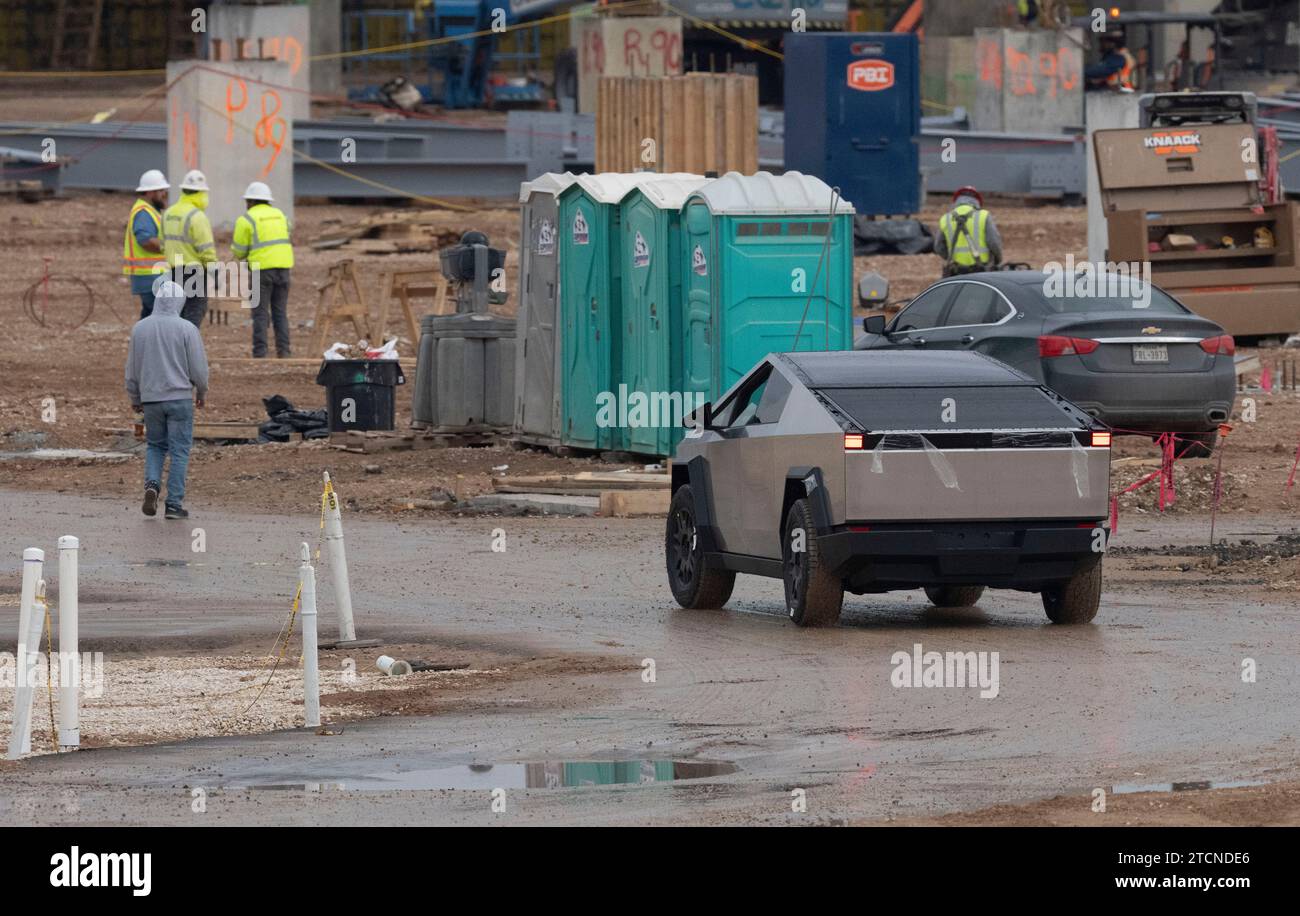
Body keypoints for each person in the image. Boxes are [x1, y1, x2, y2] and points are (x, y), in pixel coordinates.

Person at [124, 280, 209, 520]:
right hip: (180, 398)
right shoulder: (187, 329)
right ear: (180, 302)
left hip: (150, 400)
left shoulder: (140, 328)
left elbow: (132, 369)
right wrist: (201, 392)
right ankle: (173, 504)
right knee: (179, 450)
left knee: (155, 445)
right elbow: (199, 369)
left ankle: (152, 484)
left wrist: (135, 398)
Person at [231, 181, 294, 357]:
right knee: (280, 311)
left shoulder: (246, 219)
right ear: (268, 201)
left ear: (250, 201)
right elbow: (287, 233)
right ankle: (284, 351)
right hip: (284, 268)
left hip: (262, 271)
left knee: (260, 313)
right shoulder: (280, 215)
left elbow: (239, 251)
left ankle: (260, 352)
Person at [162, 169, 216, 328]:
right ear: (200, 193)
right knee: (193, 316)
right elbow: (207, 251)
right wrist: (214, 272)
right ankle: (187, 351)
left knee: (176, 315)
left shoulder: (168, 213)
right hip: (195, 274)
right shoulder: (197, 216)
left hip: (173, 272)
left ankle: (174, 351)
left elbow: (161, 244)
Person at [123, 170, 169, 320]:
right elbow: (146, 240)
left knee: (150, 318)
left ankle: (141, 343)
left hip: (153, 276)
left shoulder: (151, 211)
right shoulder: (144, 212)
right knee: (162, 317)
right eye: (161, 190)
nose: (165, 194)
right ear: (150, 192)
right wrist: (170, 247)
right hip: (150, 276)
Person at [934, 186, 1003, 277]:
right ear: (977, 201)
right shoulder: (984, 216)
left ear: (956, 201)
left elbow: (938, 247)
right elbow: (994, 243)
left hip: (956, 272)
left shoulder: (945, 218)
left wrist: (951, 257)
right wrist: (998, 260)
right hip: (981, 271)